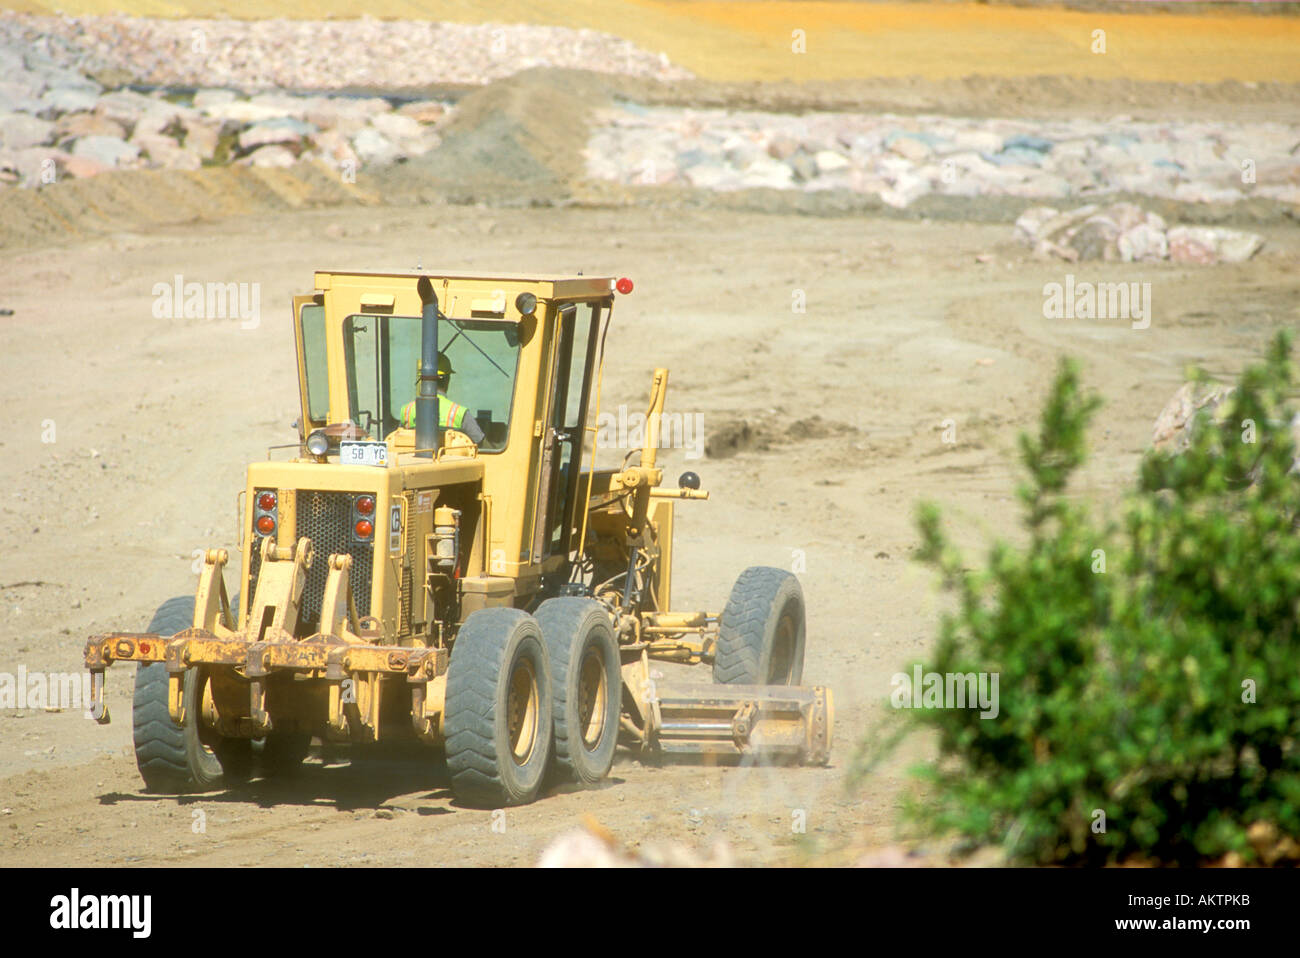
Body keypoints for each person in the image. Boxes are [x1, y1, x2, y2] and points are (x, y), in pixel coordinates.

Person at [400, 354, 486, 444]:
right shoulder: (459, 413)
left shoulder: (406, 411)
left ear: (422, 380)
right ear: (447, 380)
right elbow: (481, 442)